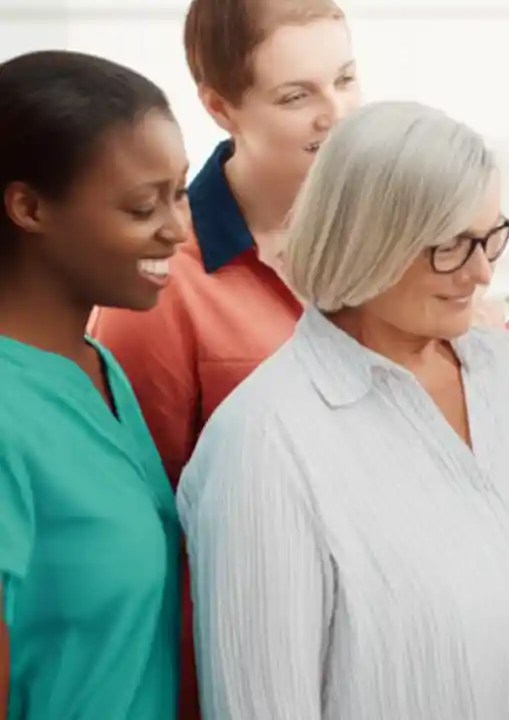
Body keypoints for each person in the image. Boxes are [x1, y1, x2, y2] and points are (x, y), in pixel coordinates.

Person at [177, 101, 509, 720]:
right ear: (366, 238)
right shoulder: (264, 442)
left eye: (491, 237)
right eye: (450, 246)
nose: (478, 272)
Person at [89, 3, 359, 715]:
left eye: (346, 79)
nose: (336, 114)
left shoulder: (387, 249)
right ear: (219, 107)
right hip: (239, 671)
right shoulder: (159, 285)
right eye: (297, 95)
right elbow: (140, 533)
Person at [0, 50, 189, 720]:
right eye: (143, 207)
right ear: (28, 207)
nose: (178, 229)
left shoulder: (98, 370)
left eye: (181, 192)